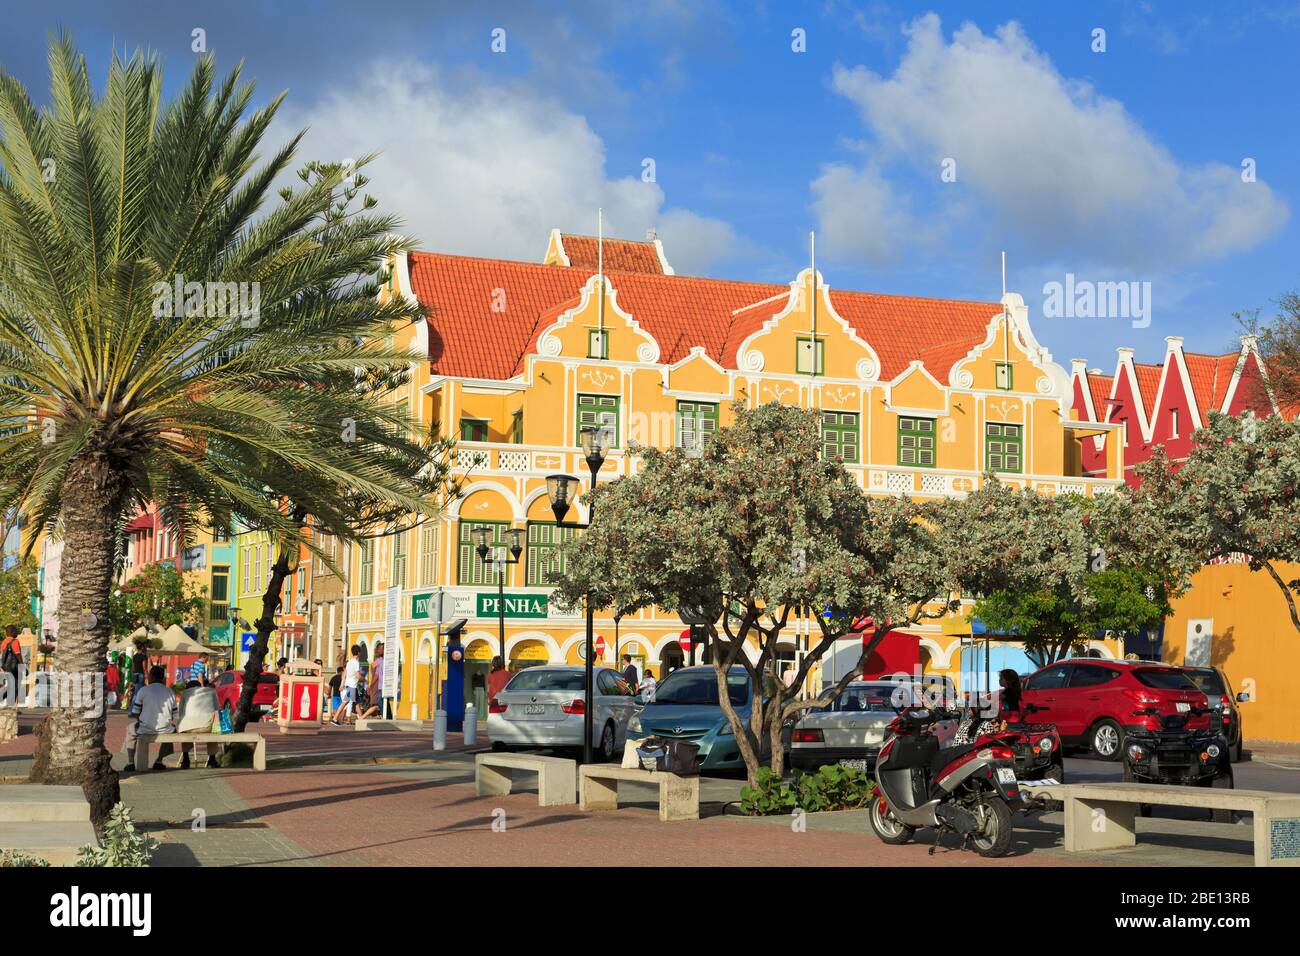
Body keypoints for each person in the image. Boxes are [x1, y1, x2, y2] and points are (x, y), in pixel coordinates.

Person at [123, 665, 178, 771]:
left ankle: (130, 762)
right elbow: (174, 715)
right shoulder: (170, 691)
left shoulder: (143, 690)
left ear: (151, 676)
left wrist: (142, 721)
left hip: (145, 727)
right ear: (162, 678)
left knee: (130, 730)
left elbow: (135, 712)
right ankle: (159, 760)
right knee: (172, 730)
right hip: (165, 728)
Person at [331, 645, 362, 725]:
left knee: (357, 704)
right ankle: (335, 718)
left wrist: (342, 684)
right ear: (358, 653)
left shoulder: (349, 662)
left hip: (349, 685)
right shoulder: (356, 662)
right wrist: (363, 679)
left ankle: (362, 720)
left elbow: (345, 674)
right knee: (345, 702)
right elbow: (357, 674)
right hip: (352, 686)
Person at [360, 643, 385, 720]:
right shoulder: (378, 660)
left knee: (377, 702)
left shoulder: (380, 660)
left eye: (381, 649)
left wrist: (370, 684)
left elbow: (375, 672)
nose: (379, 650)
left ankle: (378, 715)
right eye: (379, 649)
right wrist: (370, 684)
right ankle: (378, 715)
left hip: (377, 684)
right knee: (376, 702)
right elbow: (374, 672)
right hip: (376, 684)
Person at [1, 625, 23, 702]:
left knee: (10, 686)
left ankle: (8, 703)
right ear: (12, 632)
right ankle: (11, 705)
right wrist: (22, 666)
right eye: (16, 631)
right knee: (16, 686)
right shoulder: (14, 641)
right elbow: (17, 654)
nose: (17, 632)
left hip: (6, 668)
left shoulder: (4, 642)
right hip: (14, 668)